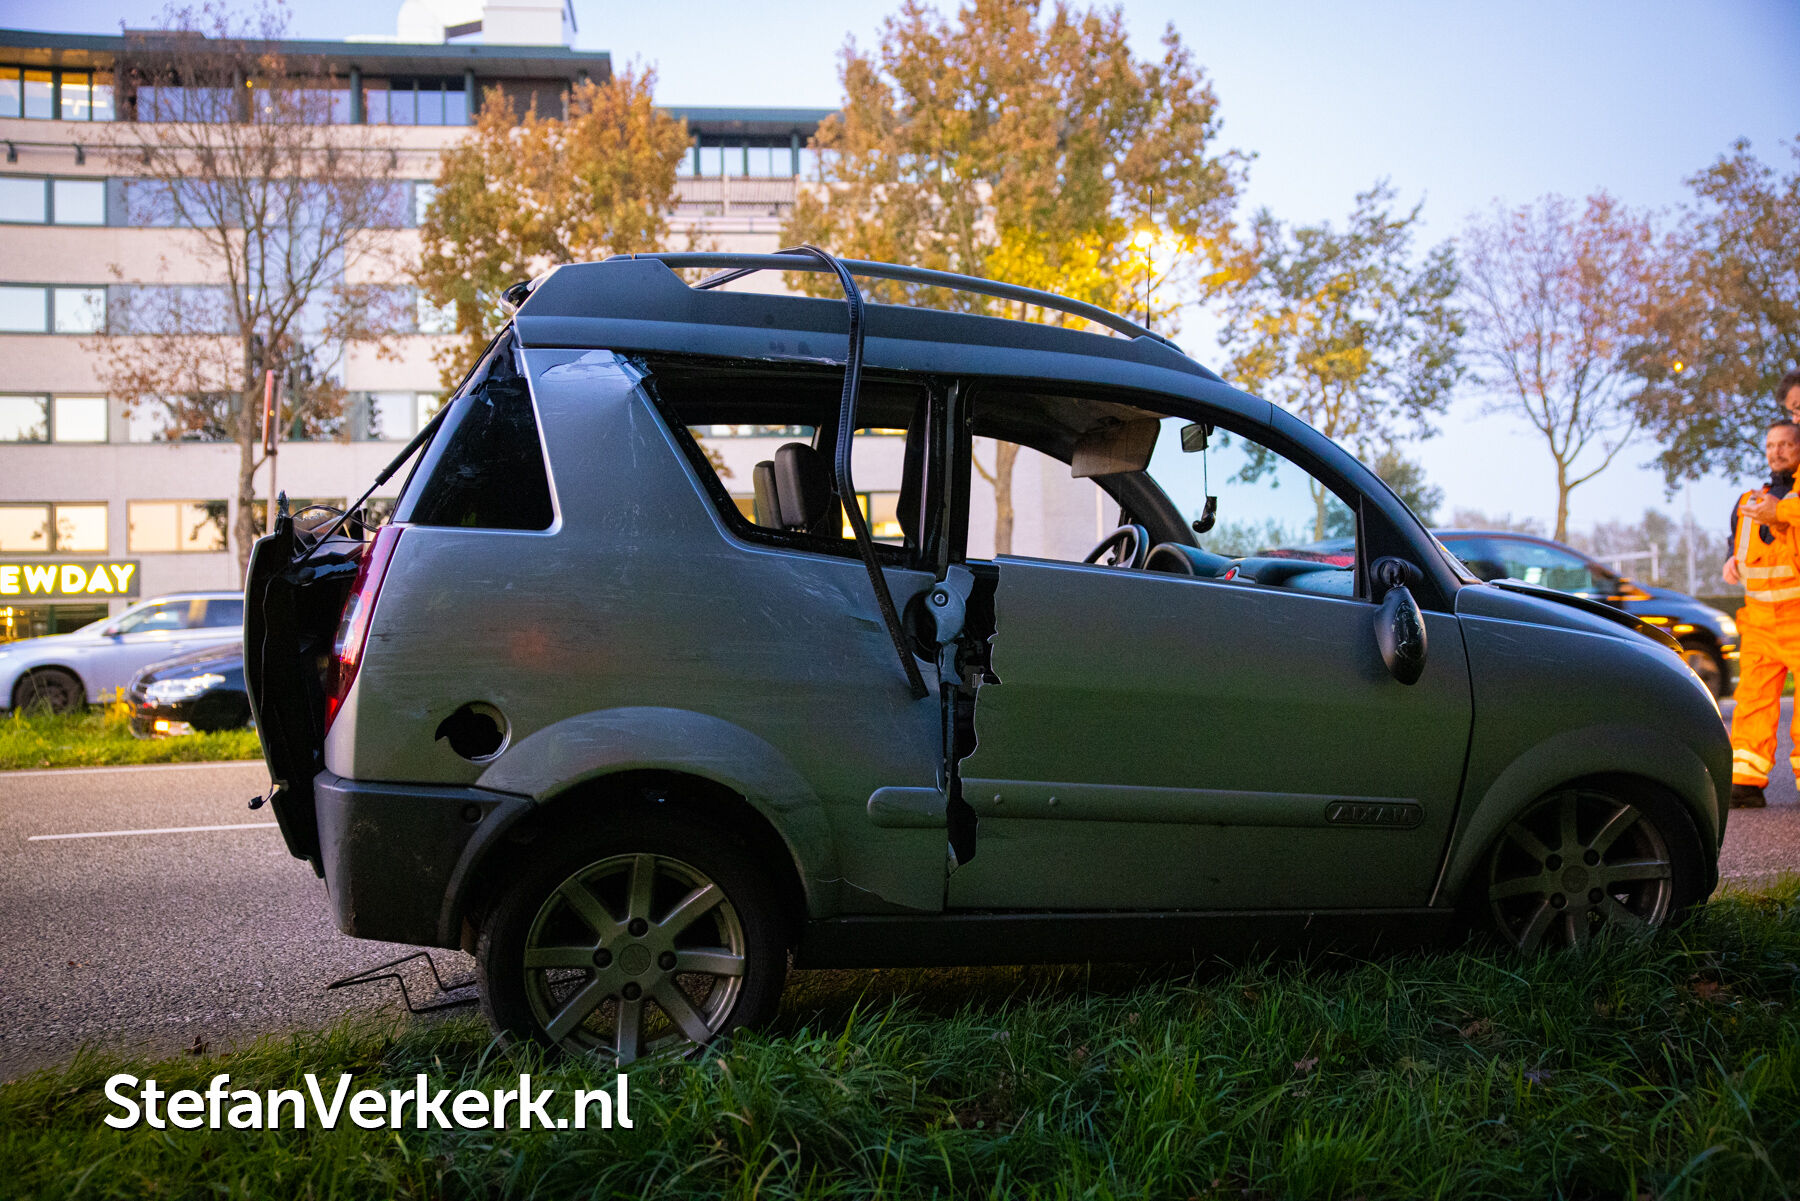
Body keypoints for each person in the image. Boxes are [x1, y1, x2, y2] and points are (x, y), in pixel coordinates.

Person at [1722, 418, 1800, 806]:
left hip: (1798, 617)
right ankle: (1745, 780)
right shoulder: (1748, 501)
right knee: (1752, 699)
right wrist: (1729, 560)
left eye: (1786, 444)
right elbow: (1735, 541)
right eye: (1771, 445)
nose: (1777, 451)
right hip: (1758, 621)